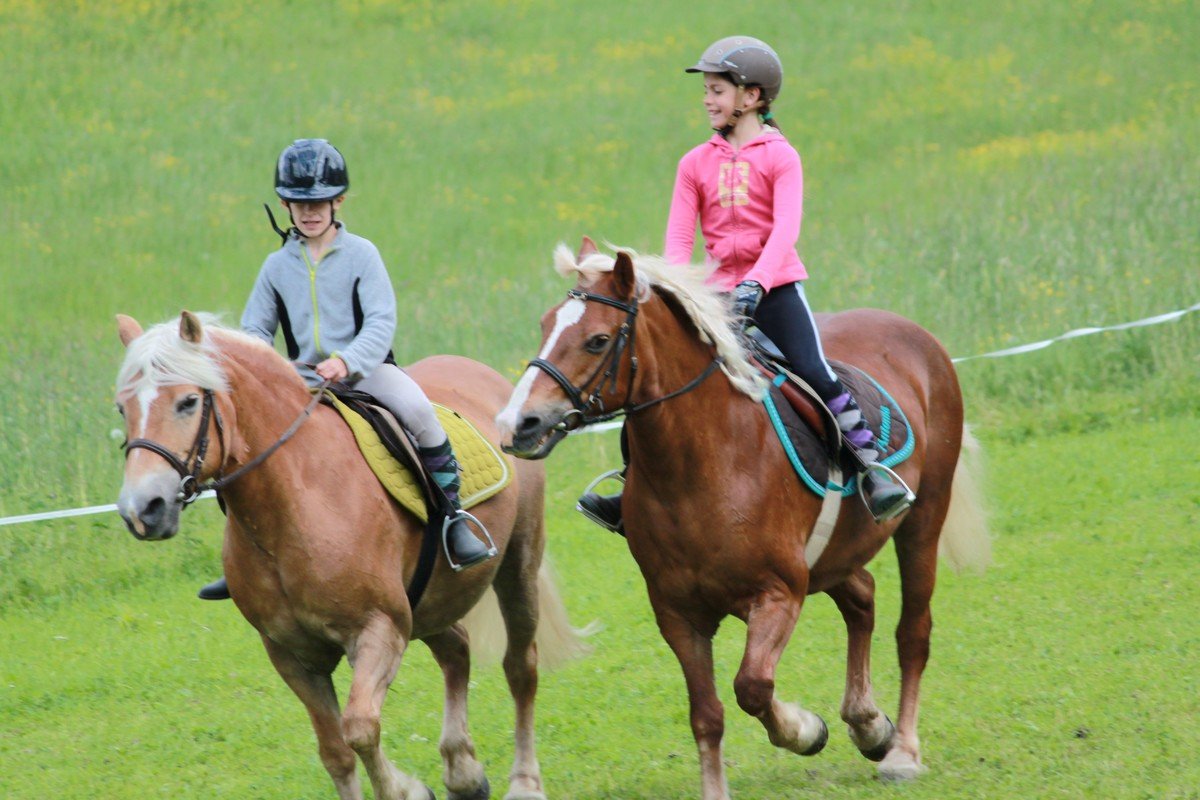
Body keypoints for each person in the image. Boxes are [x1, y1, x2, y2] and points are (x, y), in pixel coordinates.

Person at [577, 36, 914, 534]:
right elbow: (677, 238)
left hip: (775, 289)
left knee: (813, 370)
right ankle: (631, 488)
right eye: (707, 91)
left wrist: (758, 282)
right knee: (655, 379)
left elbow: (785, 231)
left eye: (717, 90)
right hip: (713, 295)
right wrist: (678, 288)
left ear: (751, 97)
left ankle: (871, 467)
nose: (708, 100)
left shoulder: (782, 157)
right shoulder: (693, 163)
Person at [198, 139, 494, 600]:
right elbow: (255, 331)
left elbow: (380, 320)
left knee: (417, 411)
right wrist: (272, 371)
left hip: (367, 373)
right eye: (299, 203)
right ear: (285, 205)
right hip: (300, 382)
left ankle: (455, 519)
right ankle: (244, 557)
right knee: (239, 442)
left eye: (318, 202)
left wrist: (347, 360)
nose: (309, 212)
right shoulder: (275, 268)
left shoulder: (363, 255)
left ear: (338, 201)